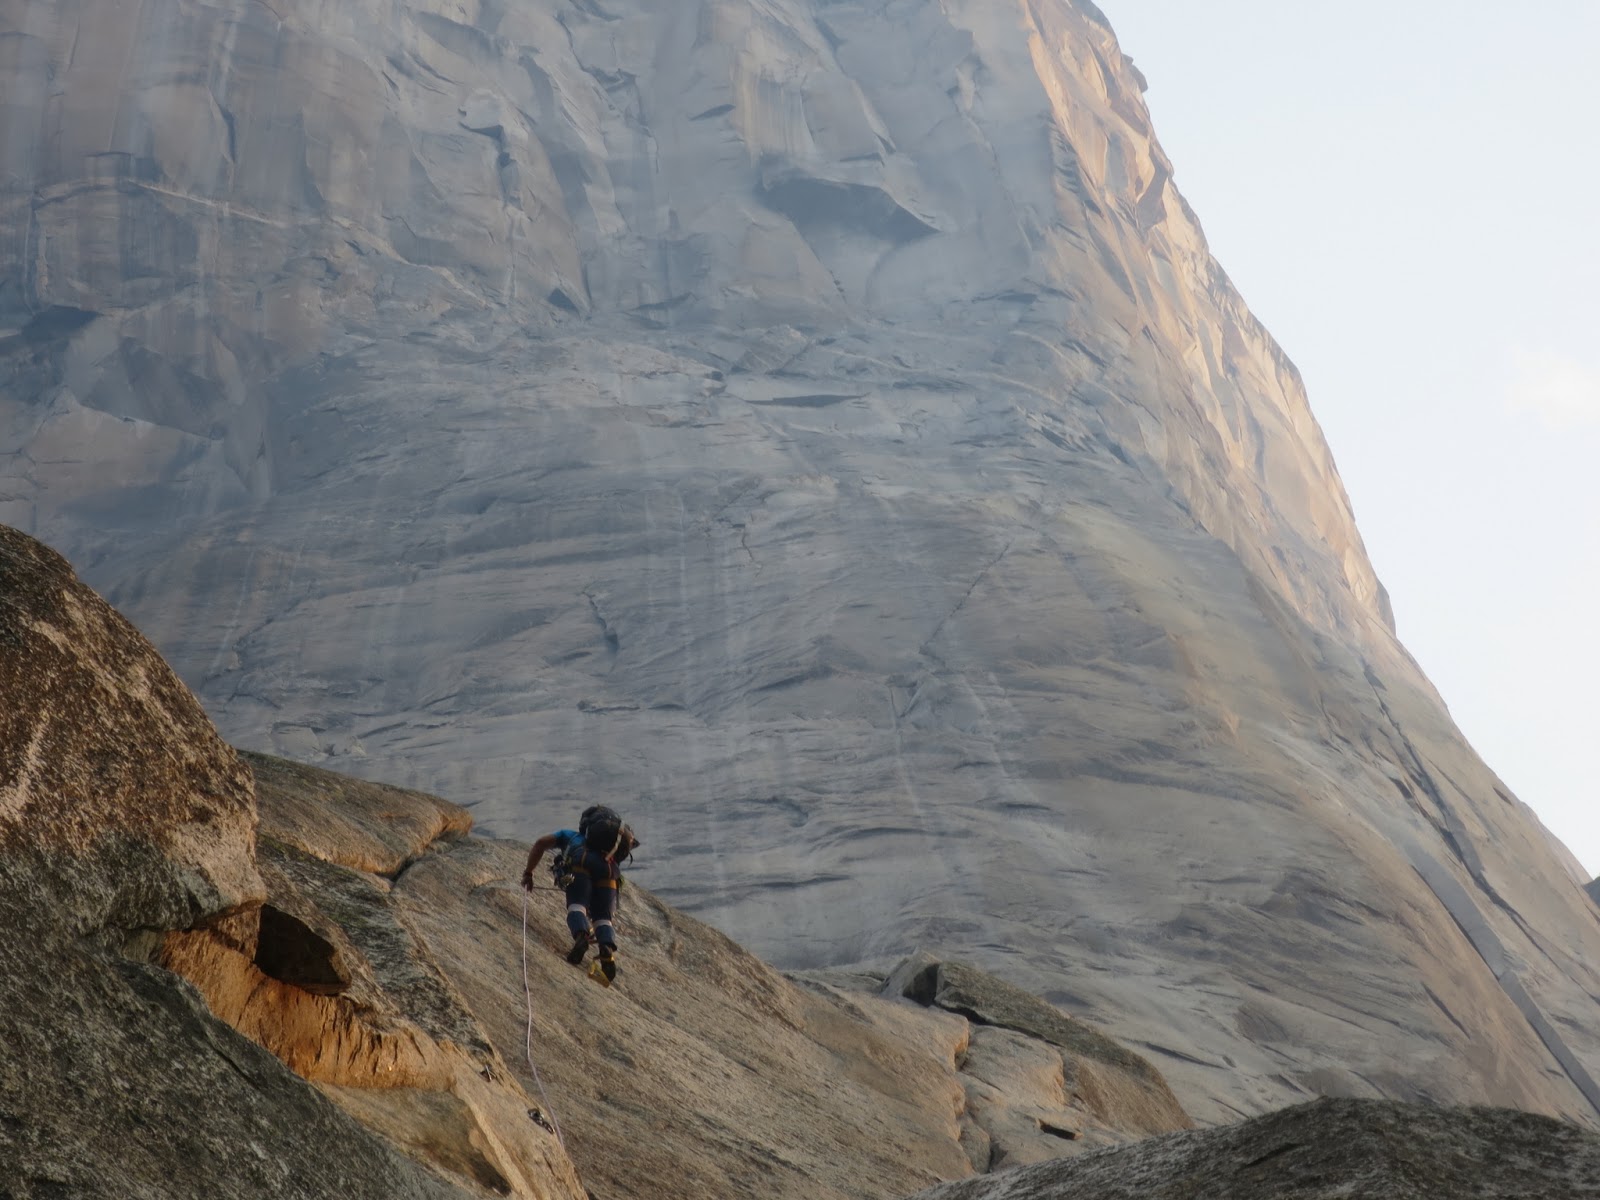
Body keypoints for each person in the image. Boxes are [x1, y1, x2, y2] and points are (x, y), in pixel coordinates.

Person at [521, 805, 637, 984]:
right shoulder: (609, 850)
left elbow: (540, 843)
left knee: (577, 906)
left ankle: (581, 937)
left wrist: (528, 873)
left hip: (581, 863)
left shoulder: (571, 836)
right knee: (603, 918)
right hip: (609, 871)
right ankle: (606, 949)